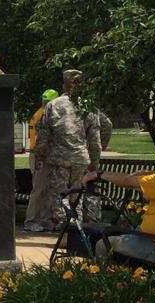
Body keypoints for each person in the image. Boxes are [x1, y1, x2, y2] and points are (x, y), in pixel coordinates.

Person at [27, 69, 101, 233]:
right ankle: (77, 230)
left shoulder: (54, 105)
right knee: (76, 197)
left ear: (64, 84)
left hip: (58, 159)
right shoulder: (89, 105)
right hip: (81, 159)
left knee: (60, 196)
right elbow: (94, 138)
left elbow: (43, 136)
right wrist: (94, 161)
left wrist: (40, 157)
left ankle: (65, 229)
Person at [22, 90, 58, 231]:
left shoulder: (40, 113)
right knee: (39, 189)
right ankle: (31, 222)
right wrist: (40, 158)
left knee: (46, 189)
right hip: (39, 156)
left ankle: (44, 220)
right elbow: (40, 140)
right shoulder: (44, 115)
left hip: (41, 155)